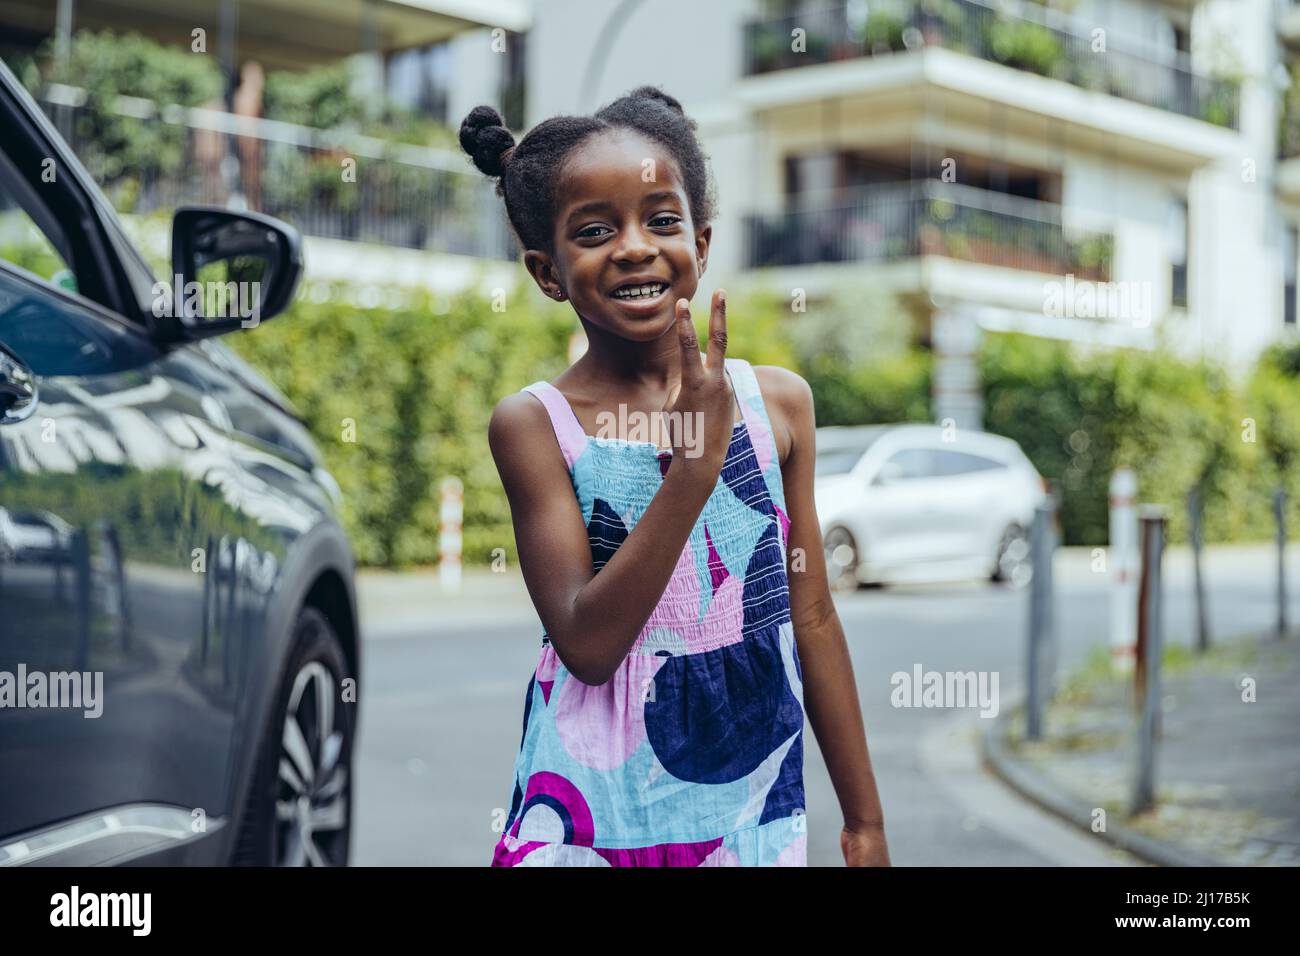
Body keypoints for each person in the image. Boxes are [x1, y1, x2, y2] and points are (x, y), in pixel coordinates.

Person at [460, 85, 889, 867]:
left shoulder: (781, 406)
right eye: (594, 231)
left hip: (751, 814)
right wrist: (693, 465)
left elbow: (814, 614)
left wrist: (866, 821)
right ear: (547, 272)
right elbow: (589, 643)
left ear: (701, 240)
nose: (633, 246)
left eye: (661, 221)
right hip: (593, 820)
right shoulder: (534, 425)